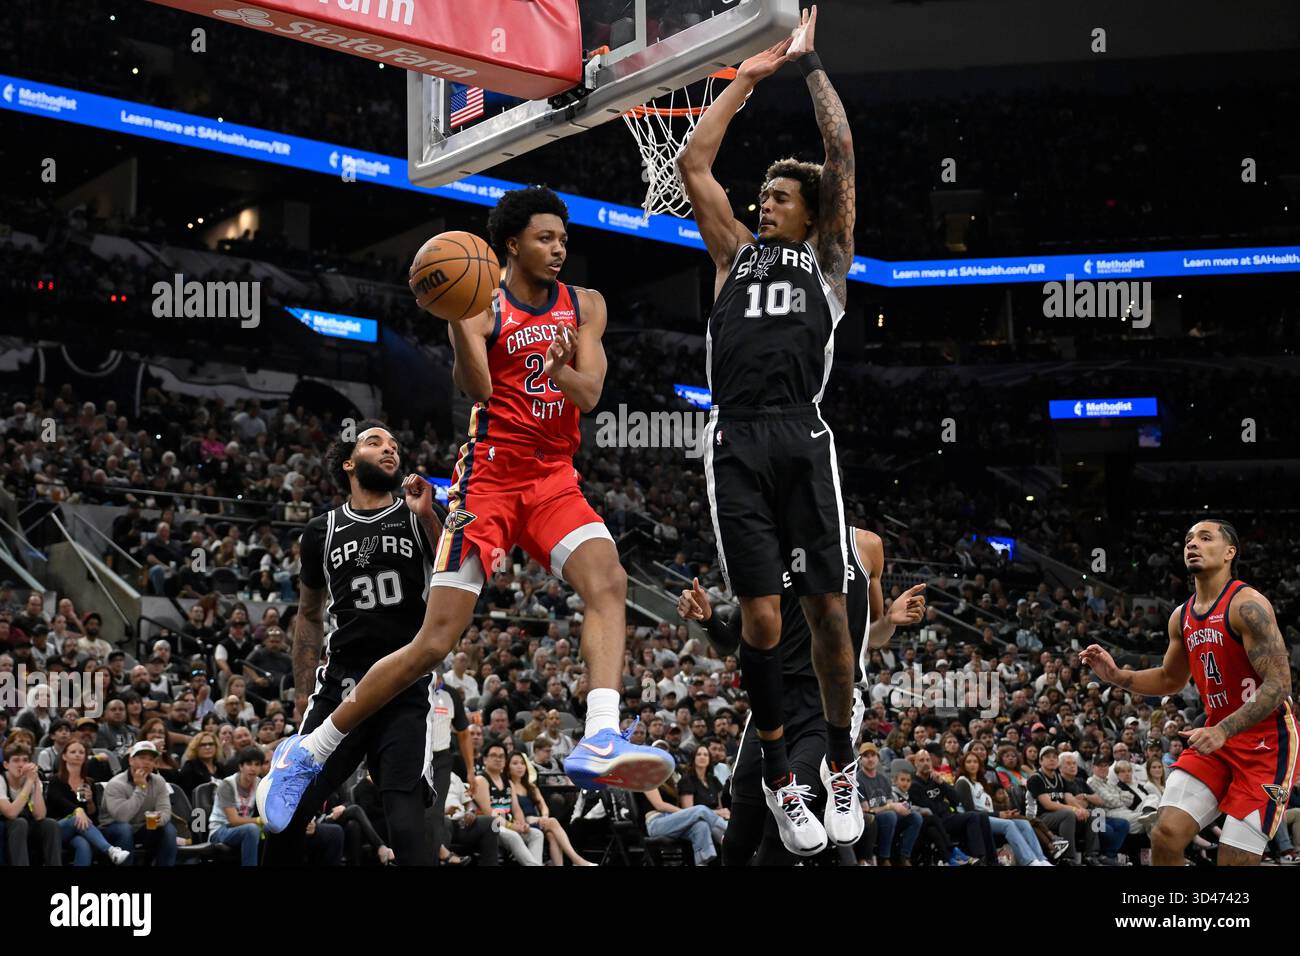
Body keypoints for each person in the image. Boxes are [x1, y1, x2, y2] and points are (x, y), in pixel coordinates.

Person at [259, 189, 674, 829]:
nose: (558, 248)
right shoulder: (483, 305)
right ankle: (307, 752)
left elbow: (590, 395)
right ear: (511, 245)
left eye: (562, 238)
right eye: (544, 238)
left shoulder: (585, 304)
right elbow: (478, 386)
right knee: (433, 643)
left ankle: (600, 735)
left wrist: (560, 369)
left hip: (554, 478)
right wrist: (457, 317)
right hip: (489, 480)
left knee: (609, 582)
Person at [677, 6, 862, 855]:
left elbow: (842, 158)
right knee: (758, 621)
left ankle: (843, 765)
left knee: (828, 607)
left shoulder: (827, 260)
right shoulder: (732, 254)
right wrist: (746, 81)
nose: (766, 200)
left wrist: (812, 64)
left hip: (802, 433)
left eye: (780, 195)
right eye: (765, 195)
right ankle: (784, 781)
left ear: (811, 211)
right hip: (736, 436)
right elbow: (693, 162)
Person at [253, 422, 444, 865]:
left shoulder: (415, 514)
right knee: (288, 814)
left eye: (395, 445)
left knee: (406, 820)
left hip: (403, 687)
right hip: (343, 684)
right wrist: (303, 694)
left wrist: (428, 515)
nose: (390, 449)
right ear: (349, 462)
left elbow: (454, 567)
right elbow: (308, 613)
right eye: (375, 442)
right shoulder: (322, 530)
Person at [681, 524, 924, 863]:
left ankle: (840, 785)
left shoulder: (867, 545)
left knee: (783, 831)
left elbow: (873, 636)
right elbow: (730, 639)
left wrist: (892, 620)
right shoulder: (770, 548)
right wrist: (707, 619)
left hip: (829, 703)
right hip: (772, 701)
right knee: (738, 835)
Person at [1081, 519, 1296, 866]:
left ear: (1229, 553)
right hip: (1215, 737)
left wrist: (1223, 729)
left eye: (1205, 538)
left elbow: (1279, 684)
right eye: (1188, 539)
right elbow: (1170, 678)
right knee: (1165, 834)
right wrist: (1118, 676)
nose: (1192, 543)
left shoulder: (1248, 605)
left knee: (1234, 858)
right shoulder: (1181, 616)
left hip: (1266, 743)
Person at [954, 750, 1049, 866]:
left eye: (975, 762)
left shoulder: (980, 783)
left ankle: (1041, 859)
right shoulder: (962, 782)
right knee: (1009, 825)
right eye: (968, 762)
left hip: (988, 817)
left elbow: (987, 809)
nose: (972, 764)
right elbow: (970, 811)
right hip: (974, 821)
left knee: (1024, 823)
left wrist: (1004, 813)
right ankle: (1029, 861)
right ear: (963, 765)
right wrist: (998, 815)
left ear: (979, 765)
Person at [46, 739, 131, 865]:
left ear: (85, 757)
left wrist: (90, 802)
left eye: (81, 752)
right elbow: (59, 801)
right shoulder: (55, 780)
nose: (77, 754)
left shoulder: (88, 782)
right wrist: (78, 810)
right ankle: (110, 850)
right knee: (75, 818)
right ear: (64, 756)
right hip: (58, 829)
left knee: (83, 844)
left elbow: (92, 817)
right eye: (73, 752)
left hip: (81, 830)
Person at [507, 751, 594, 866]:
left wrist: (543, 817)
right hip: (522, 821)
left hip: (537, 821)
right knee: (552, 822)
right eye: (515, 763)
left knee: (551, 835)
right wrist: (540, 820)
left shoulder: (531, 786)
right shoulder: (509, 784)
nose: (520, 766)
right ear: (508, 767)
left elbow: (543, 806)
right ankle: (577, 860)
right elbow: (516, 811)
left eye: (522, 763)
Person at [101, 740, 178, 866]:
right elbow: (122, 817)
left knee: (169, 829)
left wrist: (160, 820)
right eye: (142, 758)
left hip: (142, 828)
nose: (147, 762)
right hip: (112, 829)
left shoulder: (159, 781)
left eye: (151, 759)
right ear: (131, 760)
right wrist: (141, 787)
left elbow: (165, 810)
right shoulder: (116, 784)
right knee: (124, 829)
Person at [473, 742, 543, 865]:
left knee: (536, 834)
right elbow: (489, 813)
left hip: (508, 825)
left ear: (505, 761)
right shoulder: (481, 780)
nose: (498, 759)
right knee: (513, 836)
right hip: (491, 827)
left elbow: (516, 809)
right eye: (493, 755)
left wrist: (522, 824)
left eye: (501, 756)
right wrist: (511, 826)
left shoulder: (508, 783)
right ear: (484, 759)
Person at [856, 742, 922, 866]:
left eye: (873, 755)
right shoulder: (858, 780)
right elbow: (867, 811)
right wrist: (891, 807)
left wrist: (902, 807)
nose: (870, 759)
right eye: (866, 756)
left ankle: (904, 856)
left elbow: (891, 803)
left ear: (878, 758)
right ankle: (884, 858)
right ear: (860, 759)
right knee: (889, 815)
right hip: (871, 821)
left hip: (888, 818)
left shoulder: (883, 778)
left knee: (915, 817)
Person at [1, 740, 62, 865]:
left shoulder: (31, 778)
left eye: (25, 760)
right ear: (6, 764)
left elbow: (39, 815)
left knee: (50, 824)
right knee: (19, 822)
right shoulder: (1, 780)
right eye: (16, 760)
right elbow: (11, 813)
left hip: (25, 825)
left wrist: (35, 783)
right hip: (5, 826)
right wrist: (29, 783)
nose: (21, 764)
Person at [209, 747, 266, 866]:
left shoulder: (260, 783)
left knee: (273, 830)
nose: (253, 768)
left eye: (257, 764)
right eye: (249, 764)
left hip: (244, 828)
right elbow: (234, 820)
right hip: (220, 829)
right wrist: (259, 820)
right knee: (252, 829)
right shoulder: (227, 784)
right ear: (241, 766)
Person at [179, 730, 223, 797]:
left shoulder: (220, 767)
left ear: (216, 747)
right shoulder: (190, 767)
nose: (207, 747)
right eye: (203, 745)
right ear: (195, 748)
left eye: (211, 744)